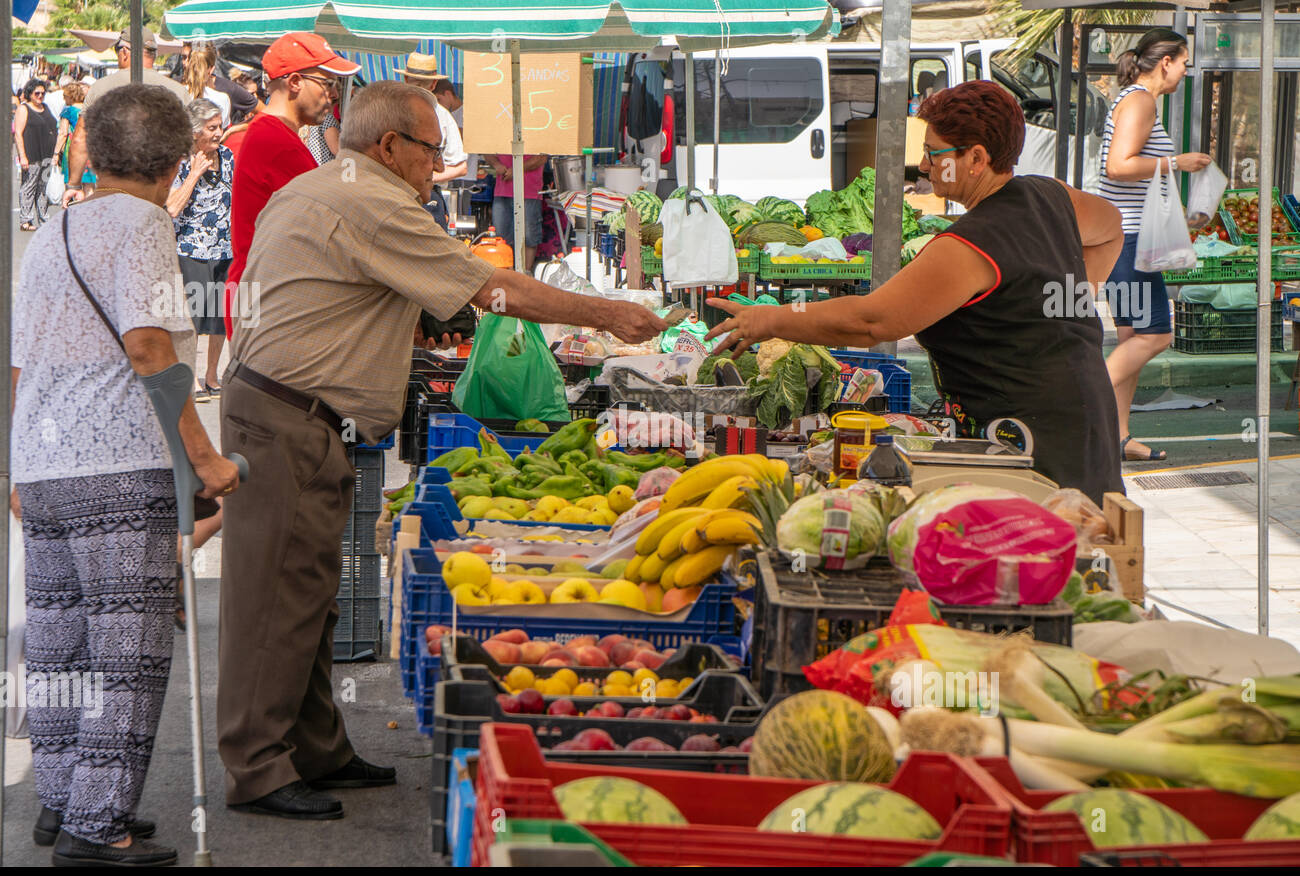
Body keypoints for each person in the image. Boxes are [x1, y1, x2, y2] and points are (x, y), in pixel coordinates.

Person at [218, 81, 665, 820]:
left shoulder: (331, 185)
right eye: (432, 148)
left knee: (304, 595)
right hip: (288, 416)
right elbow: (494, 289)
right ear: (389, 145)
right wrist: (605, 312)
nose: (440, 164)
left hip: (289, 411)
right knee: (273, 599)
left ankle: (314, 746)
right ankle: (258, 767)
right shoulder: (374, 199)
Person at [12, 84, 239, 867]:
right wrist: (205, 456)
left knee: (58, 646)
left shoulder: (51, 231)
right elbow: (149, 348)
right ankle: (95, 825)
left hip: (43, 467)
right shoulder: (145, 225)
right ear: (177, 158)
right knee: (126, 654)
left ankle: (61, 800)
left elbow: (17, 365)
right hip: (116, 465)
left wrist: (14, 464)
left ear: (90, 149)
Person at [706, 80, 1126, 505]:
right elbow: (1111, 227)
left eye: (934, 153)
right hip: (1087, 418)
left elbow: (873, 321)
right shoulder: (1049, 196)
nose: (924, 166)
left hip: (1029, 442)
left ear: (976, 158)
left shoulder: (974, 243)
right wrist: (1063, 299)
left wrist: (771, 319)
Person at [1098, 28, 1212, 463]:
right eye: (1184, 62)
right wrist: (1176, 162)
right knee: (1158, 335)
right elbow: (1118, 167)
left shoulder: (1135, 99)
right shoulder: (1140, 100)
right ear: (1166, 62)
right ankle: (1081, 395)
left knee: (1131, 337)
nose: (1186, 70)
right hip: (1127, 240)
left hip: (1128, 237)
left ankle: (1118, 438)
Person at [224, 32, 360, 338]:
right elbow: (330, 224)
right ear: (295, 82)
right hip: (267, 304)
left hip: (264, 298)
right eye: (327, 83)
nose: (334, 95)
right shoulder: (275, 140)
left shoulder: (274, 134)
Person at [64, 27, 191, 204]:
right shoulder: (179, 91)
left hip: (114, 193)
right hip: (161, 194)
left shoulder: (102, 88)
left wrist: (74, 186)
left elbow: (80, 140)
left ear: (125, 52)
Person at [167, 98, 234, 398]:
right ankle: (191, 376)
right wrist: (194, 173)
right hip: (191, 248)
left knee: (221, 316)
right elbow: (171, 208)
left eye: (220, 126)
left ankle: (212, 375)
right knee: (193, 317)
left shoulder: (229, 157)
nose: (219, 133)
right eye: (211, 128)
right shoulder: (181, 162)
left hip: (225, 248)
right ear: (195, 133)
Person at [398, 52, 467, 232]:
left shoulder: (443, 117)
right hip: (395, 193)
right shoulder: (392, 111)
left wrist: (424, 178)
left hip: (427, 194)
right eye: (416, 83)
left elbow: (460, 167)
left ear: (434, 84)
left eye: (423, 84)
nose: (419, 89)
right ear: (406, 79)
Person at [487, 152, 547, 270]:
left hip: (529, 191)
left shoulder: (538, 133)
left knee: (528, 236)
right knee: (501, 237)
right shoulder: (499, 133)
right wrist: (496, 164)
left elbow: (542, 157)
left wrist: (517, 169)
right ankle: (507, 275)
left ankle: (524, 275)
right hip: (503, 190)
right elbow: (486, 149)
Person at [15, 77, 58, 230]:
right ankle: (25, 220)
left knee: (43, 188)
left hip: (46, 155)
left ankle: (44, 219)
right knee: (29, 187)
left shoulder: (45, 107)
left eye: (42, 93)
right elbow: (18, 134)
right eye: (37, 93)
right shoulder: (23, 108)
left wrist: (55, 153)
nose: (40, 96)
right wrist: (23, 156)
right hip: (32, 154)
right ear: (30, 93)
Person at [53, 81, 92, 189]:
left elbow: (63, 133)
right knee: (88, 182)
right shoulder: (88, 108)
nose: (64, 99)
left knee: (72, 182)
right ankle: (89, 204)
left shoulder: (68, 111)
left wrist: (56, 153)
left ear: (69, 96)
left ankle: (74, 204)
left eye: (64, 96)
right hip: (89, 146)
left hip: (73, 146)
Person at [183, 43, 232, 127]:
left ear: (188, 64)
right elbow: (221, 131)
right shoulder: (222, 99)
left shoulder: (177, 94)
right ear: (211, 69)